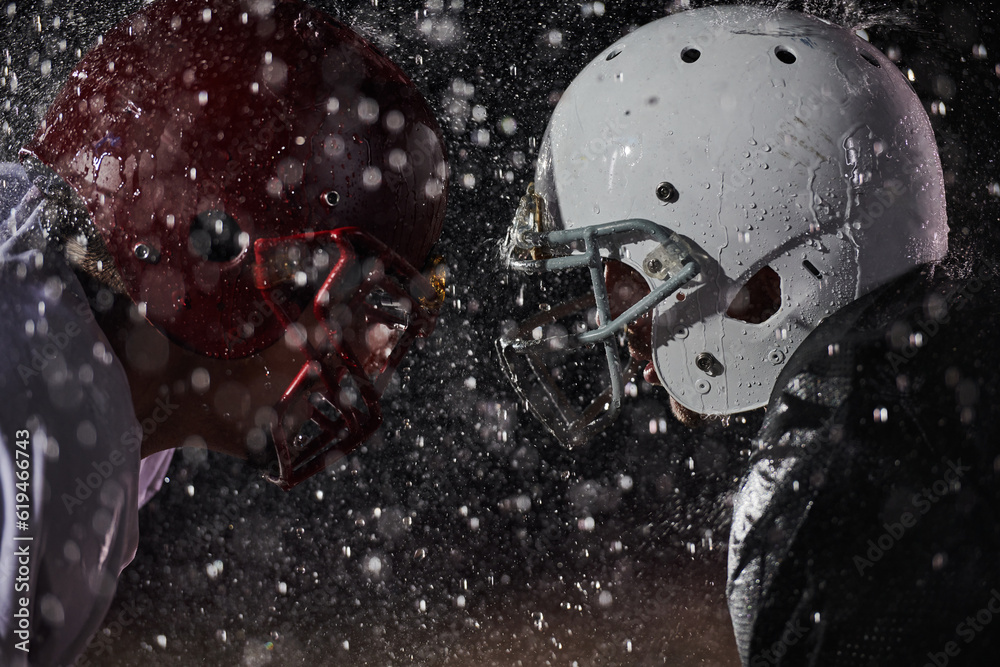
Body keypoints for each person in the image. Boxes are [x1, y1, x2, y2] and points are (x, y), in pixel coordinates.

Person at [497, 5, 1000, 665]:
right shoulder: (935, 382)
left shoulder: (840, 497)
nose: (614, 324)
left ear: (759, 283)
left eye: (623, 273)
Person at [0, 0, 448, 663]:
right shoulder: (57, 430)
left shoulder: (81, 347)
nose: (371, 359)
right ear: (219, 248)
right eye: (357, 298)